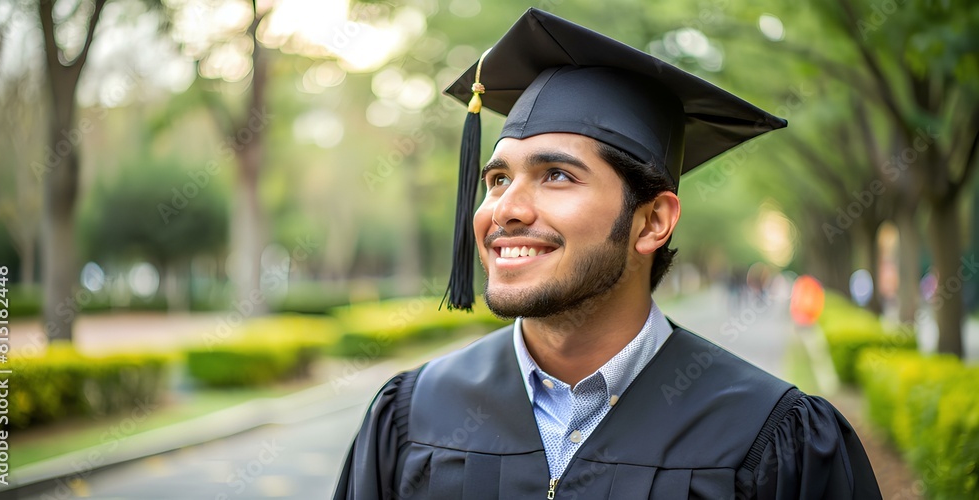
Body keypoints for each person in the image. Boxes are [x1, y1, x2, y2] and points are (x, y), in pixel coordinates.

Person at [334, 8, 881, 500]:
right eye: (497, 179)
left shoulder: (768, 433)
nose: (505, 209)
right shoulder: (413, 416)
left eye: (556, 175)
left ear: (652, 222)